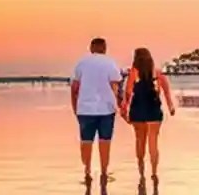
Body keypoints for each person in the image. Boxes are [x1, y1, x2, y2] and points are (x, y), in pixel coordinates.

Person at [72, 37, 123, 182]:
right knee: (105, 141)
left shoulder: (81, 63)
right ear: (104, 48)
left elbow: (74, 88)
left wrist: (75, 107)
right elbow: (116, 85)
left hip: (85, 108)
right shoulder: (110, 63)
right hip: (106, 108)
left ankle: (87, 170)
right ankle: (104, 172)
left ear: (91, 48)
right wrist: (120, 104)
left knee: (86, 141)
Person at [120, 48, 175, 178]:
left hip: (138, 111)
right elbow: (166, 92)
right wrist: (171, 107)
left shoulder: (134, 73)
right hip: (154, 111)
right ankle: (154, 172)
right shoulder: (158, 74)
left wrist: (124, 108)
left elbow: (128, 93)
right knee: (153, 142)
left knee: (140, 140)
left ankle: (141, 171)